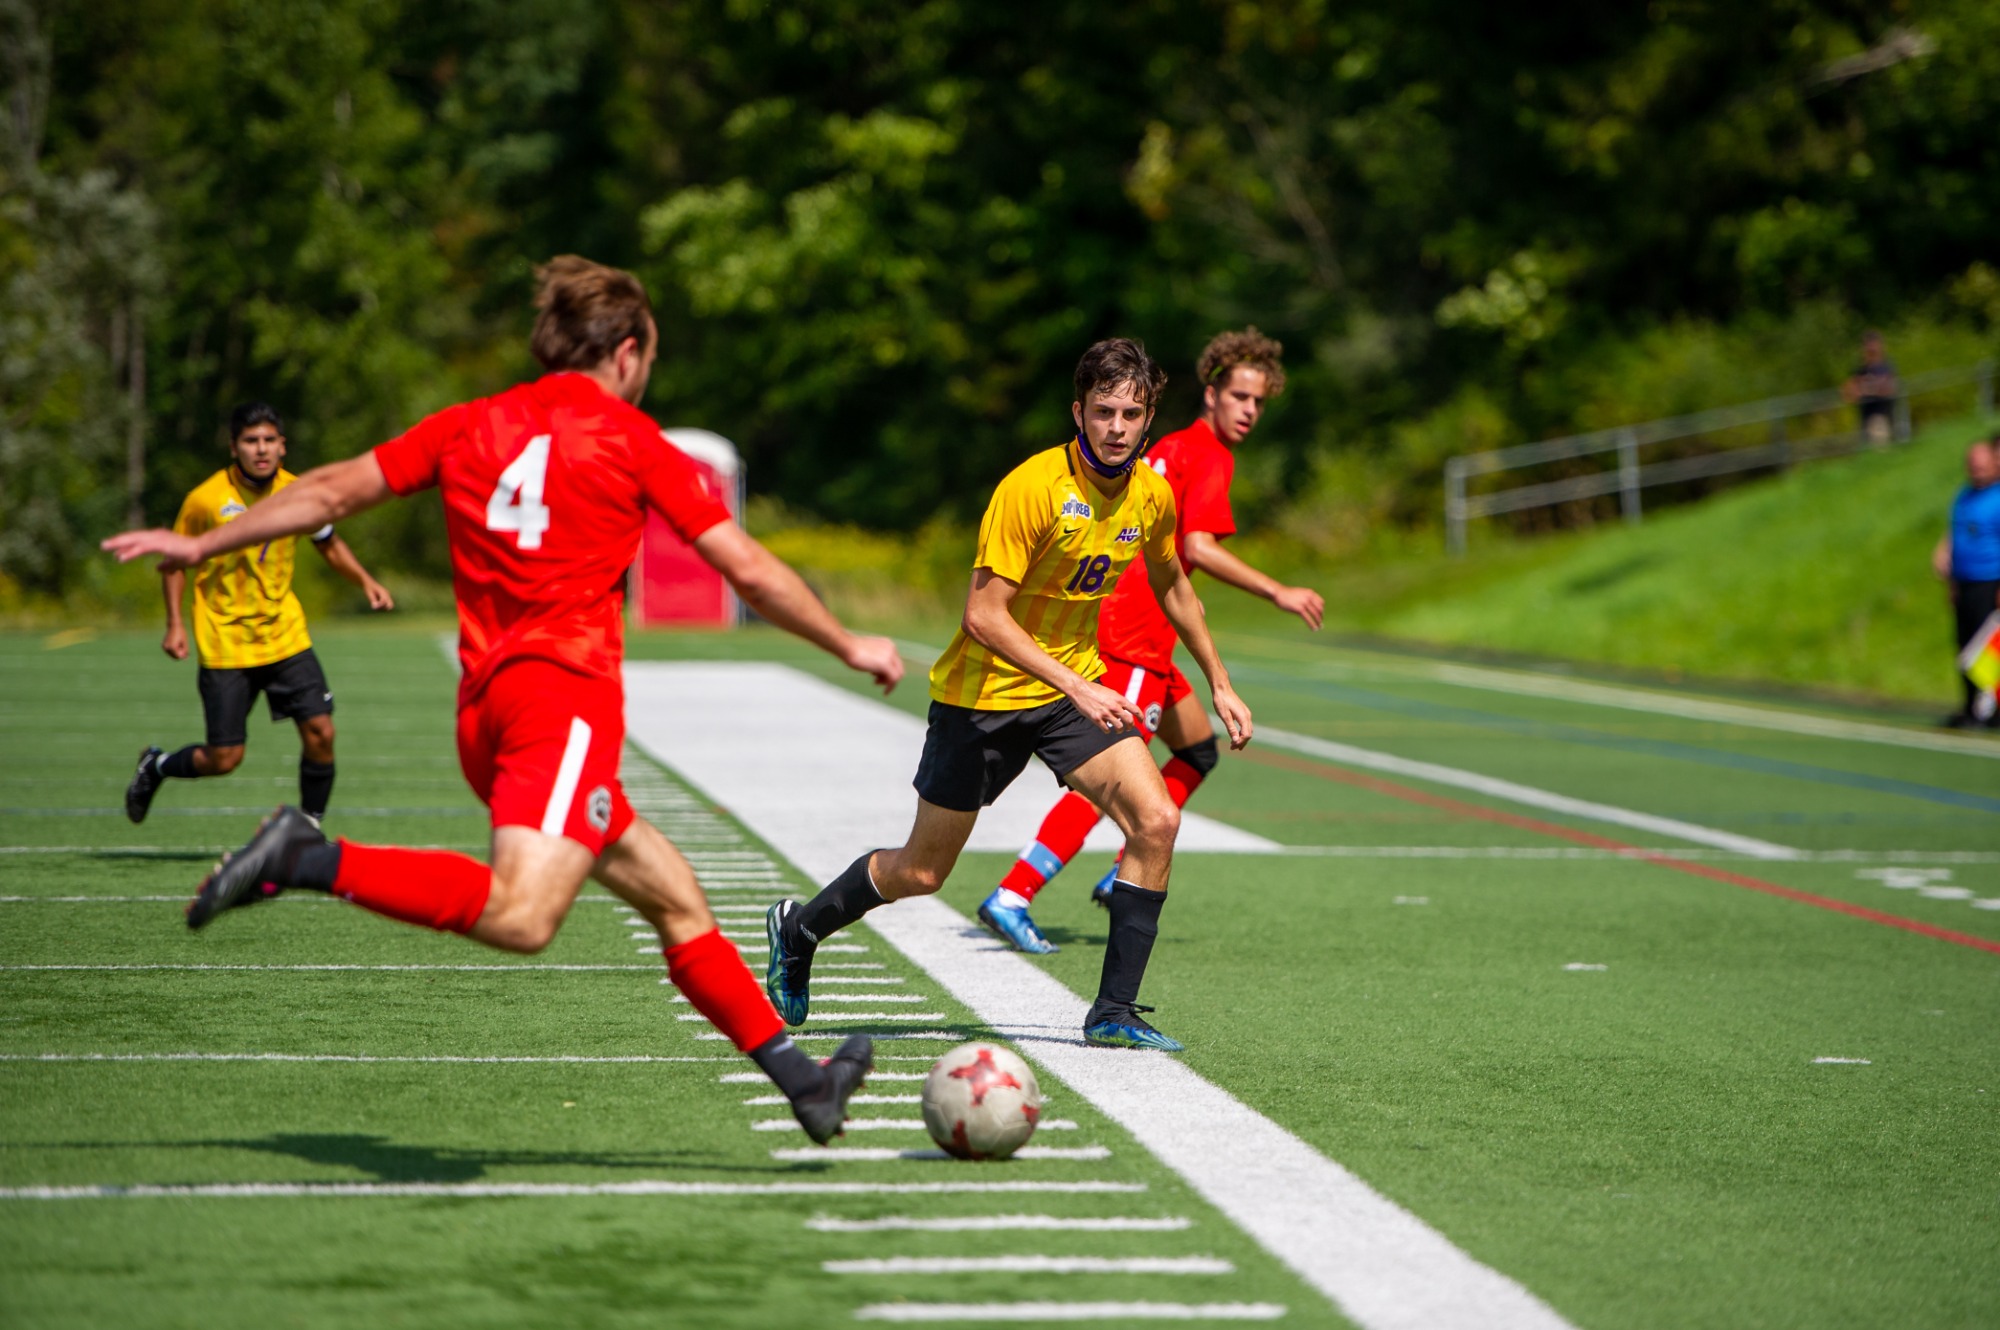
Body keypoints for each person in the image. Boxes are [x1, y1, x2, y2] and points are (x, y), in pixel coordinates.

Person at [103, 256, 903, 1142]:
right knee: (524, 916)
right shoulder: (632, 439)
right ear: (626, 352)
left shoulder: (470, 424)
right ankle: (307, 858)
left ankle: (804, 1083)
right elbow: (742, 566)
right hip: (561, 705)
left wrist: (200, 547)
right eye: (649, 357)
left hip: (487, 714)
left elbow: (328, 491)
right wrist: (848, 641)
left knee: (677, 901)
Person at [761, 338, 1254, 1053]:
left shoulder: (1151, 495)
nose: (1117, 427)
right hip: (983, 698)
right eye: (1104, 411)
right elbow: (983, 616)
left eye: (1131, 414)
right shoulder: (1031, 488)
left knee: (1156, 821)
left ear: (1150, 420)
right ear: (1078, 412)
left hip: (1068, 695)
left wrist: (1220, 682)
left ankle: (1113, 1010)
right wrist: (1080, 685)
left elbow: (1173, 582)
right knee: (922, 871)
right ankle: (800, 928)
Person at [976, 328, 1323, 953]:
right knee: (1110, 773)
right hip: (1136, 635)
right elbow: (1196, 549)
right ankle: (1015, 893)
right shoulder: (1208, 454)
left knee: (1197, 751)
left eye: (1259, 401)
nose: (1249, 409)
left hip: (1139, 629)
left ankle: (1123, 869)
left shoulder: (1167, 446)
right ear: (1211, 393)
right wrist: (1279, 591)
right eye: (1239, 396)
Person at [124, 402, 394, 828]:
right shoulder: (205, 500)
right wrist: (175, 623)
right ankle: (156, 766)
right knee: (224, 758)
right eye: (251, 441)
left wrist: (365, 581)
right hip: (225, 639)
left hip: (284, 634)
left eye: (269, 440)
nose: (261, 449)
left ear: (283, 446)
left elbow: (327, 541)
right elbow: (174, 563)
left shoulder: (299, 492)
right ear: (234, 447)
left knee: (321, 733)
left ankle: (308, 830)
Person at [1932, 436, 2000, 727]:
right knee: (1965, 645)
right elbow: (1957, 533)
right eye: (1972, 465)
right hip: (1965, 581)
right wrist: (1951, 578)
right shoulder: (1964, 496)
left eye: (1982, 465)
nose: (1977, 470)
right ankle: (1971, 705)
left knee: (1988, 649)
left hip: (1990, 581)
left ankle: (1992, 708)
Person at [1843, 331, 1900, 447]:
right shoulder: (1860, 369)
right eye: (1868, 347)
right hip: (1865, 418)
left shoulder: (1886, 367)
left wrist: (1866, 389)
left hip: (1882, 416)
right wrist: (1864, 390)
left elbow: (1889, 389)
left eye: (1873, 346)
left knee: (1880, 448)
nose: (1871, 350)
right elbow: (1847, 392)